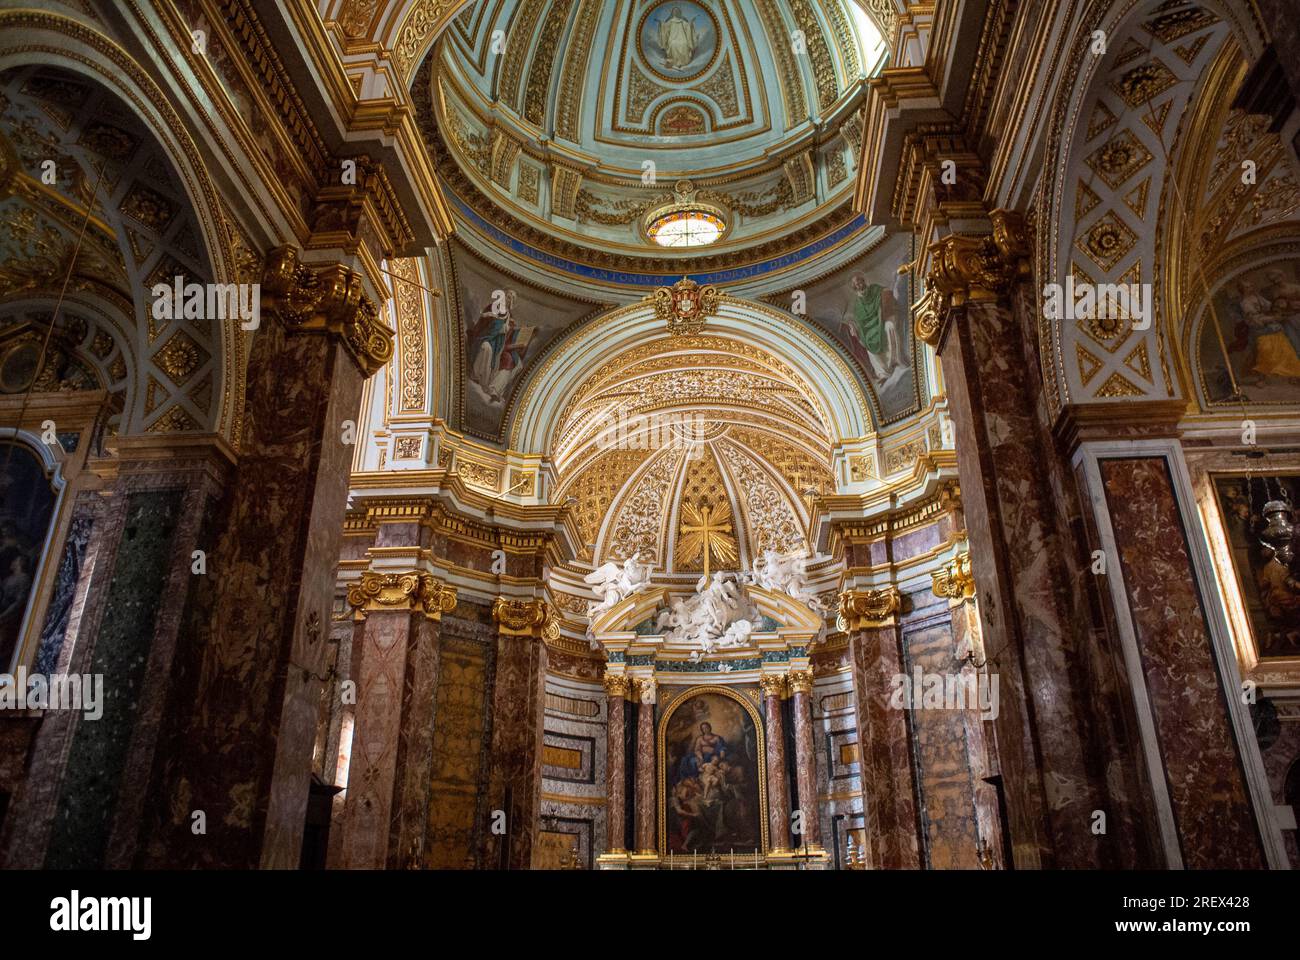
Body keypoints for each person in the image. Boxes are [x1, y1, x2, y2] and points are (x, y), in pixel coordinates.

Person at [658, 6, 697, 71]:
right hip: (672, 38)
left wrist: (691, 22)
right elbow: (665, 28)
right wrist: (661, 23)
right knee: (673, 45)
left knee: (684, 44)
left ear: (679, 12)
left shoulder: (682, 21)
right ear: (672, 13)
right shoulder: (670, 21)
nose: (676, 12)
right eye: (674, 11)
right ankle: (674, 62)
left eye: (677, 11)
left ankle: (683, 62)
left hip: (682, 37)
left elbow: (688, 27)